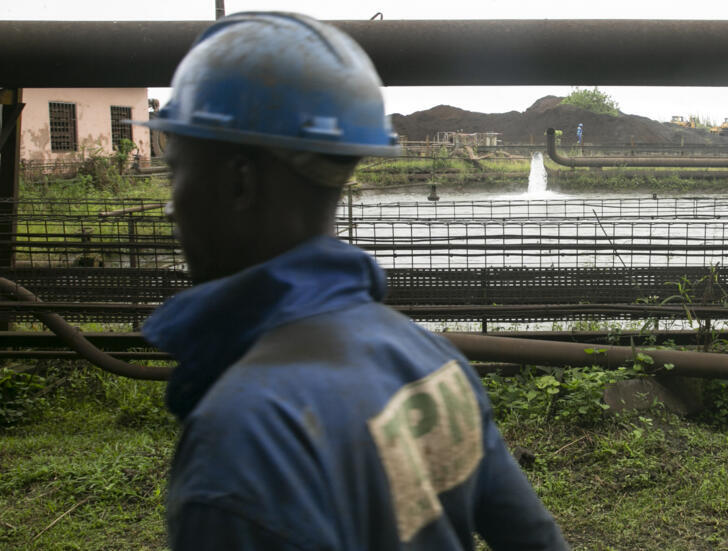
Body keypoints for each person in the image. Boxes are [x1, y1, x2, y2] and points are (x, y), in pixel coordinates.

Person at [132, 12, 568, 551]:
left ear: (239, 179)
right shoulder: (428, 360)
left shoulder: (241, 443)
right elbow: (537, 540)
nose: (172, 208)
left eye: (177, 172)